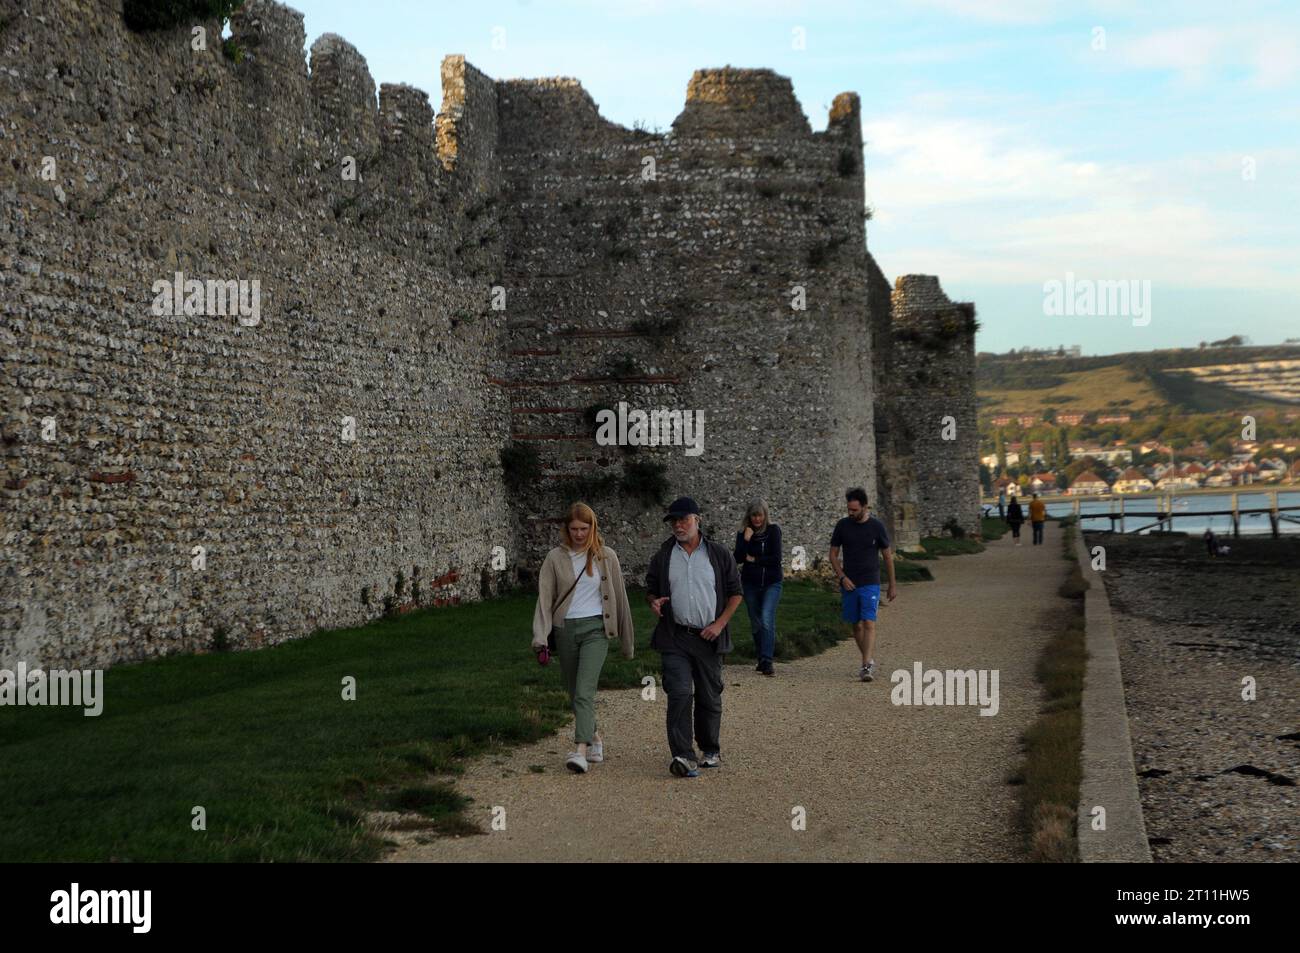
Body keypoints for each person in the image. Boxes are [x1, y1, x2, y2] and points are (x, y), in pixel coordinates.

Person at [531, 502, 635, 774]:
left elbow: (620, 599)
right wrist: (540, 637)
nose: (579, 534)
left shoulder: (606, 556)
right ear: (567, 529)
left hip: (596, 630)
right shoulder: (554, 558)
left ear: (593, 528)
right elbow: (544, 600)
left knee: (585, 690)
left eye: (584, 528)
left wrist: (627, 641)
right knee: (574, 691)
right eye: (574, 528)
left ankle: (580, 749)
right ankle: (596, 738)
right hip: (565, 628)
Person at [645, 496, 743, 778]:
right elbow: (650, 588)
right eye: (674, 521)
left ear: (697, 520)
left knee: (710, 696)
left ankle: (710, 748)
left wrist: (720, 624)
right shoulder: (664, 556)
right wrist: (653, 601)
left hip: (709, 636)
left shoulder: (719, 554)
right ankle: (683, 755)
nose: (678, 525)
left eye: (684, 519)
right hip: (675, 635)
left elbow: (736, 593)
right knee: (679, 692)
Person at [829, 487, 896, 683]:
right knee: (856, 626)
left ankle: (866, 665)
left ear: (865, 507)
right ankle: (868, 659)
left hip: (870, 582)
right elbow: (832, 555)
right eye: (849, 509)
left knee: (868, 622)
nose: (851, 513)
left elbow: (887, 556)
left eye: (854, 510)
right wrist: (842, 577)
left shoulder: (877, 527)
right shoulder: (842, 526)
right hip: (849, 582)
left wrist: (892, 584)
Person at [734, 499, 783, 677]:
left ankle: (767, 660)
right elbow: (738, 558)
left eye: (760, 515)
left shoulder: (773, 531)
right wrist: (746, 540)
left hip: (772, 582)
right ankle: (761, 658)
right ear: (749, 516)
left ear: (765, 515)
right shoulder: (743, 533)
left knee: (766, 618)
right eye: (754, 515)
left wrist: (754, 559)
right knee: (755, 622)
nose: (757, 519)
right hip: (751, 583)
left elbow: (776, 558)